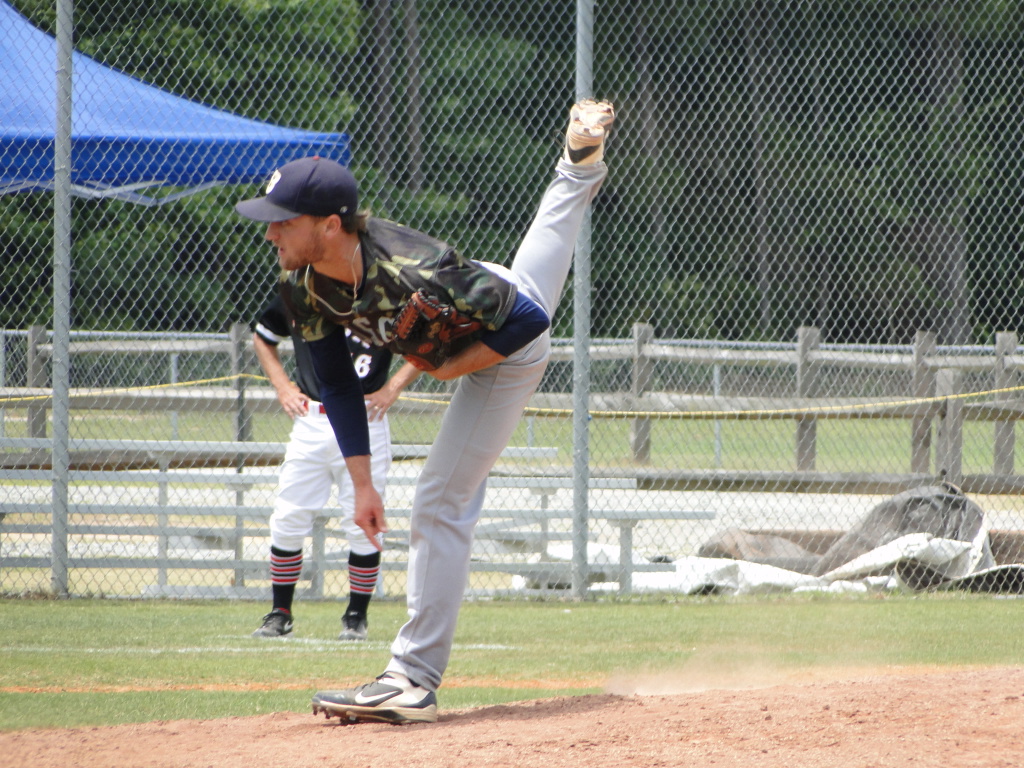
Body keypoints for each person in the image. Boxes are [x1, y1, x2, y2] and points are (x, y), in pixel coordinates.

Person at [235, 98, 614, 723]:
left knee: (439, 498)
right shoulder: (302, 286)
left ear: (330, 224)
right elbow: (335, 385)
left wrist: (449, 368)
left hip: (503, 343)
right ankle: (576, 167)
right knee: (539, 255)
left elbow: (528, 319)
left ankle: (411, 677)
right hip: (486, 297)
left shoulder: (413, 269)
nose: (270, 231)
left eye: (282, 220)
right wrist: (361, 485)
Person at [250, 291, 419, 641]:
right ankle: (280, 612)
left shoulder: (383, 293)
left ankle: (356, 616)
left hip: (366, 415)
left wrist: (393, 387)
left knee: (364, 522)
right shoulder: (305, 288)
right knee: (288, 516)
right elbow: (264, 336)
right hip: (311, 418)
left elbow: (429, 344)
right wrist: (283, 387)